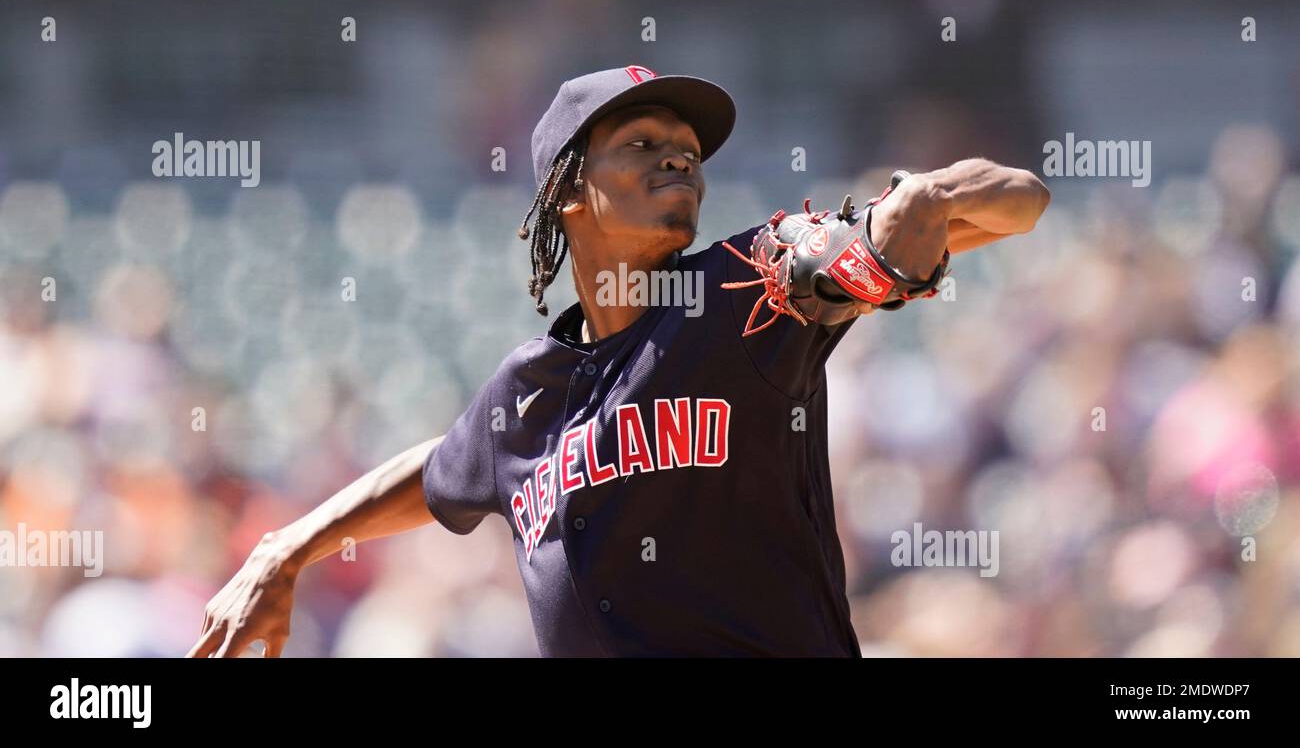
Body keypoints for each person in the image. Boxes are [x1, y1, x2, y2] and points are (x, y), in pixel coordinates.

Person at [187, 65, 1049, 658]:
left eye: (687, 147)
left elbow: (1017, 204)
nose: (680, 154)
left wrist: (928, 201)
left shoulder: (748, 289)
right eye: (641, 142)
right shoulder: (525, 393)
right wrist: (285, 549)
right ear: (567, 190)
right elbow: (445, 465)